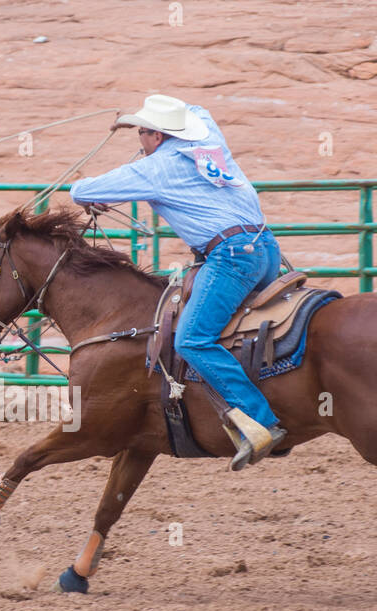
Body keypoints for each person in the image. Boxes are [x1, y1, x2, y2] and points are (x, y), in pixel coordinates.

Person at [69, 94, 285, 470]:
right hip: (266, 249)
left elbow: (81, 191)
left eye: (141, 132)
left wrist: (100, 194)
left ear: (155, 135)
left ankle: (260, 421)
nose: (139, 139)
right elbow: (197, 110)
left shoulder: (157, 168)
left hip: (231, 256)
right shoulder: (208, 139)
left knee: (192, 339)